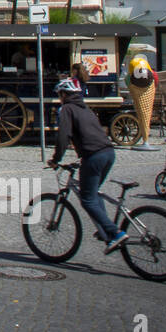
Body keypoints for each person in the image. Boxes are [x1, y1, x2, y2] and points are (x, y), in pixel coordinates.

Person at [48, 76, 128, 253]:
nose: (59, 98)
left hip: (93, 156)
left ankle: (114, 232)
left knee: (87, 199)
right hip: (108, 152)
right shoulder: (86, 109)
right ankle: (104, 229)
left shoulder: (67, 109)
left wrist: (55, 159)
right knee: (94, 193)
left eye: (60, 94)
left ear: (63, 94)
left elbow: (63, 137)